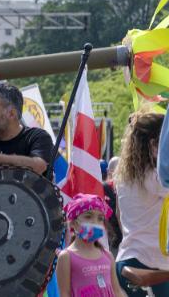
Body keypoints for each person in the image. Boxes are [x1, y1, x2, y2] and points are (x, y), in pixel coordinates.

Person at [114, 112, 169, 296]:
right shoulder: (155, 178)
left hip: (130, 257)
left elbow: (118, 214)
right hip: (153, 265)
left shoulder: (126, 177)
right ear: (155, 144)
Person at [56, 194, 123, 297]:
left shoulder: (108, 256)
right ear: (73, 223)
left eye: (100, 218)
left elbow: (117, 291)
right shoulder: (66, 257)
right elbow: (64, 294)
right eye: (88, 216)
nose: (95, 222)